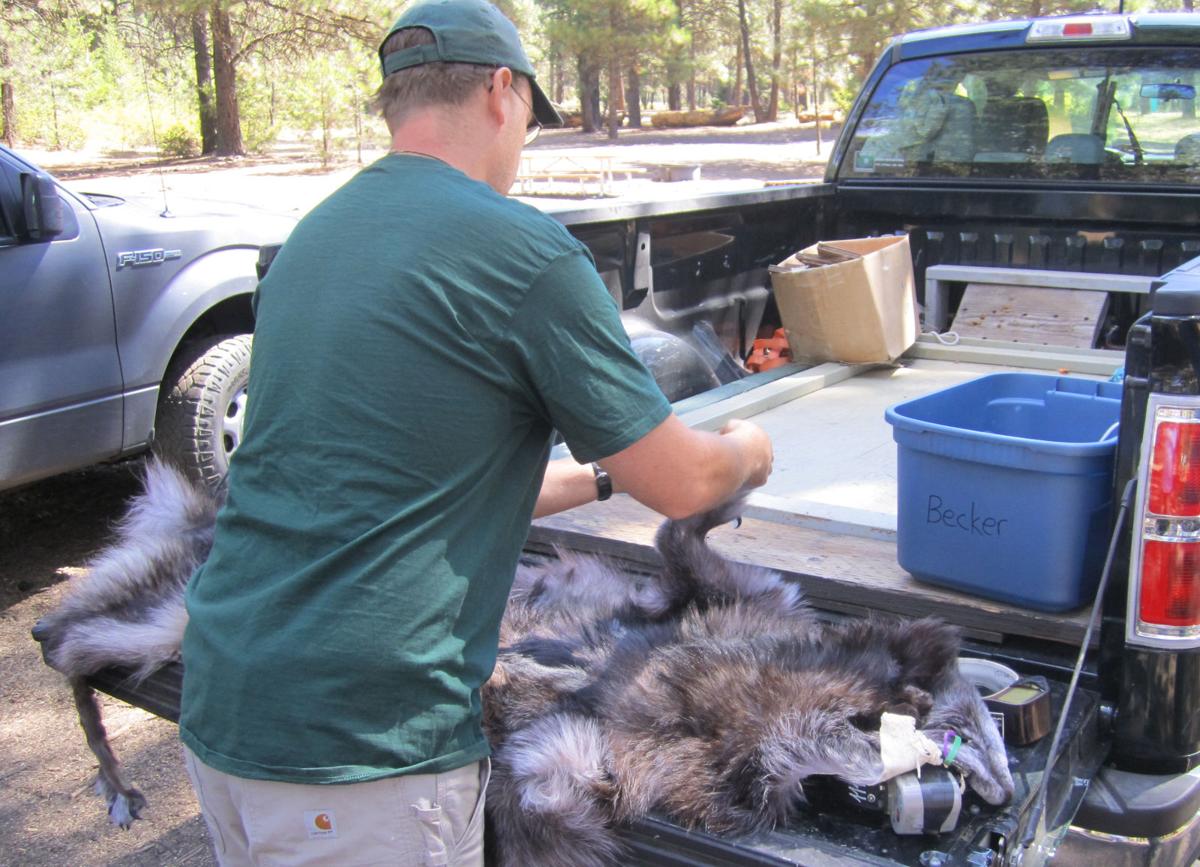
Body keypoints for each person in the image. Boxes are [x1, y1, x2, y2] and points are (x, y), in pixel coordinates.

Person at [176, 1, 774, 864]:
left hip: (229, 694)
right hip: (359, 749)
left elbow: (405, 470)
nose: (524, 139)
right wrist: (747, 450)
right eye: (531, 114)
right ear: (502, 91)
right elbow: (683, 482)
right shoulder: (521, 252)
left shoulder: (313, 239)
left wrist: (601, 478)